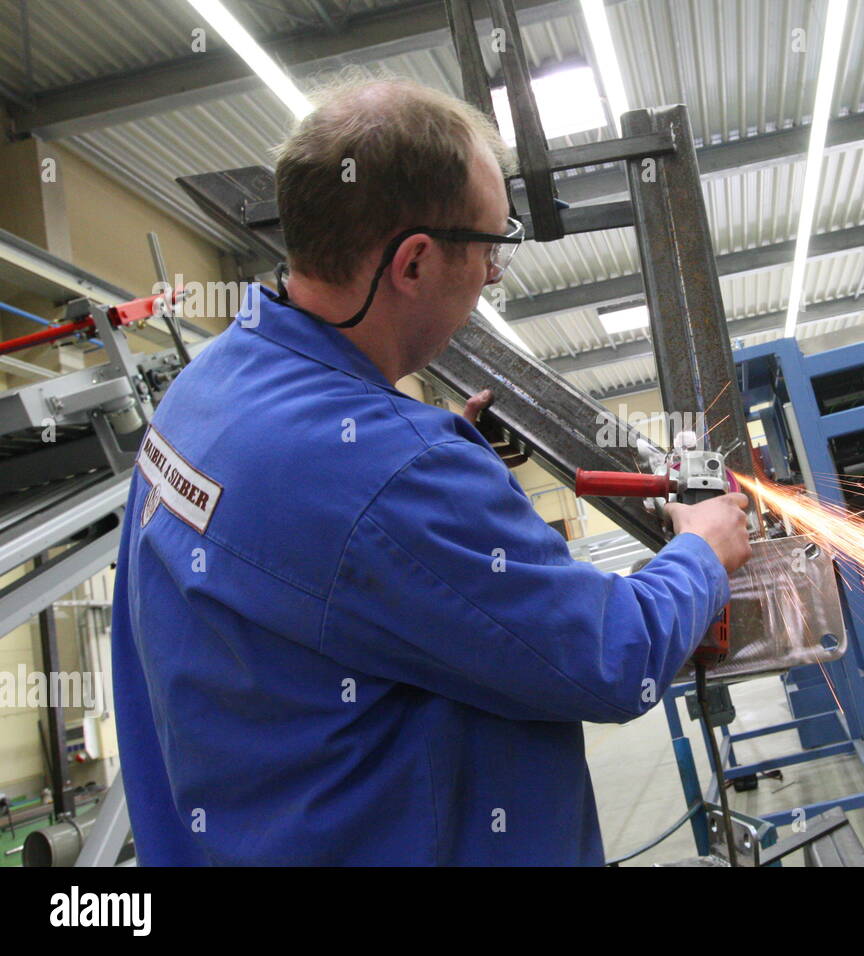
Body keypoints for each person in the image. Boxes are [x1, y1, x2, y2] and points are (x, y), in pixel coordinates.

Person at [110, 78, 752, 865]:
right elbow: (609, 660)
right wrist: (701, 551)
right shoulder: (392, 474)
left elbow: (315, 544)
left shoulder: (202, 393)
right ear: (413, 262)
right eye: (491, 246)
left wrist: (424, 475)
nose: (494, 277)